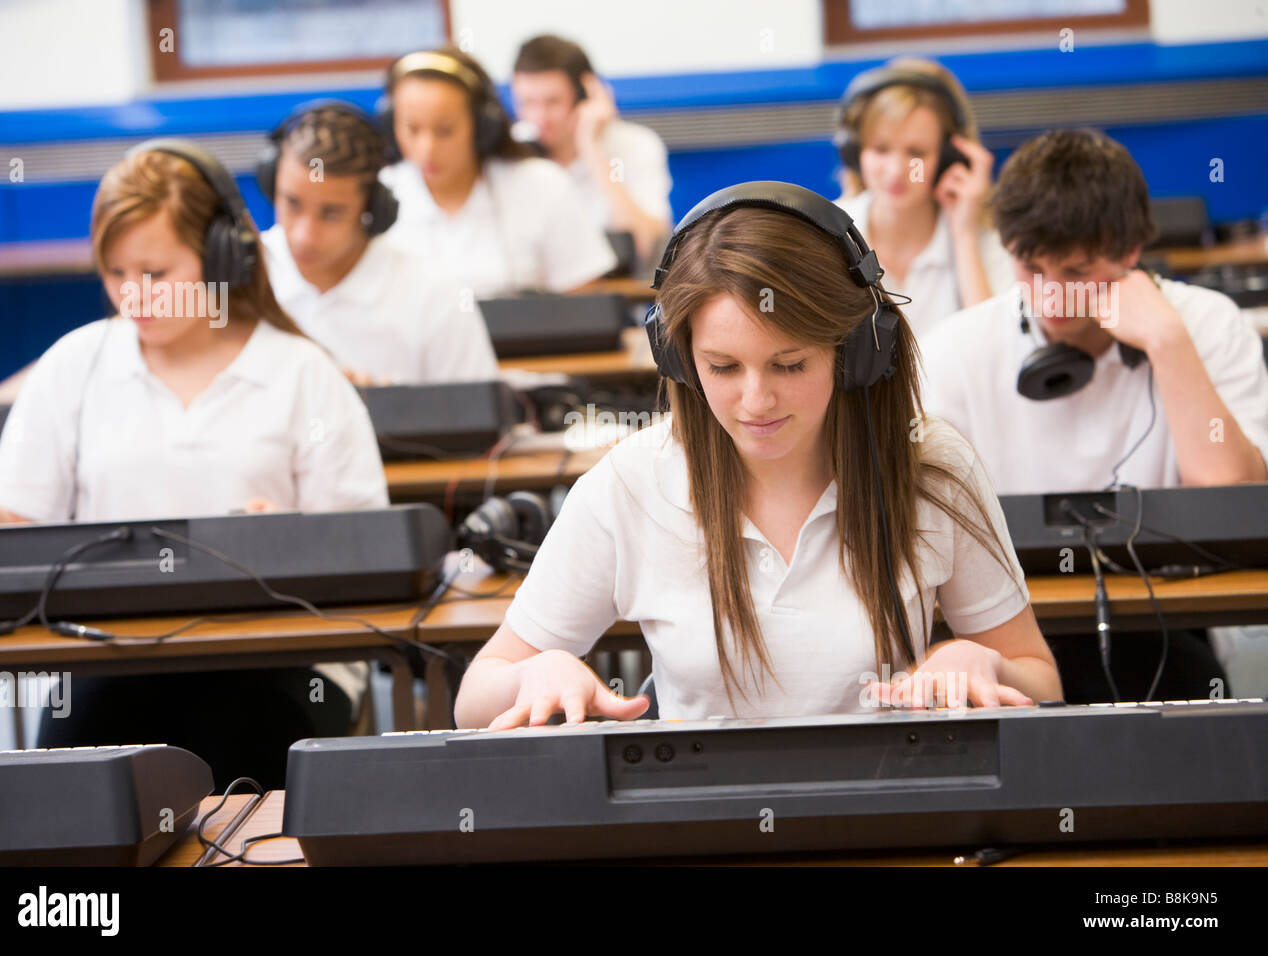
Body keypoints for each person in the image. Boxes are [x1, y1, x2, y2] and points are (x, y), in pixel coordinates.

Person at [452, 182, 1061, 730]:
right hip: (699, 827)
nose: (755, 401)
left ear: (856, 351)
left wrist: (980, 661)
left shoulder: (931, 469)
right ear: (681, 359)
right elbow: (475, 696)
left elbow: (1041, 680)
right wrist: (533, 675)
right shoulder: (632, 483)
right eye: (722, 367)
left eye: (789, 364)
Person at [0, 140, 389, 786]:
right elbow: (17, 529)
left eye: (156, 274)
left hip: (281, 657)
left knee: (237, 732)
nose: (134, 296)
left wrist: (298, 540)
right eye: (115, 273)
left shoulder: (301, 373)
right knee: (78, 762)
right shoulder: (74, 366)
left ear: (223, 257)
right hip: (112, 657)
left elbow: (372, 552)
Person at [918, 128, 1268, 702]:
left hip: (1171, 619)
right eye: (1031, 269)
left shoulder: (1205, 324)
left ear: (1130, 252)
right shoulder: (956, 350)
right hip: (1006, 629)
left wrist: (1168, 344)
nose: (1052, 300)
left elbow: (1228, 494)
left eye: (1076, 273)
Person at [259, 99, 498, 385]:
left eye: (331, 214)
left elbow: (475, 416)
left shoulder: (435, 296)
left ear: (373, 208)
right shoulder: (241, 278)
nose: (303, 236)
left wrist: (391, 411)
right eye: (292, 204)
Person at [378, 47, 617, 297]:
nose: (427, 149)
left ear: (482, 126)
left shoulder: (542, 185)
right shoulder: (378, 194)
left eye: (445, 130)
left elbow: (586, 304)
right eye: (412, 129)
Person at [833, 59, 1013, 337]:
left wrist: (964, 236)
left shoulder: (989, 243)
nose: (895, 172)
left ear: (950, 158)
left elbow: (993, 356)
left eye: (916, 153)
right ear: (854, 152)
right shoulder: (826, 235)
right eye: (880, 149)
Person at [510, 34, 673, 265]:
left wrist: (591, 147)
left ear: (583, 97)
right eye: (527, 102)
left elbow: (645, 246)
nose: (539, 117)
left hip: (613, 298)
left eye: (552, 102)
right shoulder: (511, 150)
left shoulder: (635, 146)